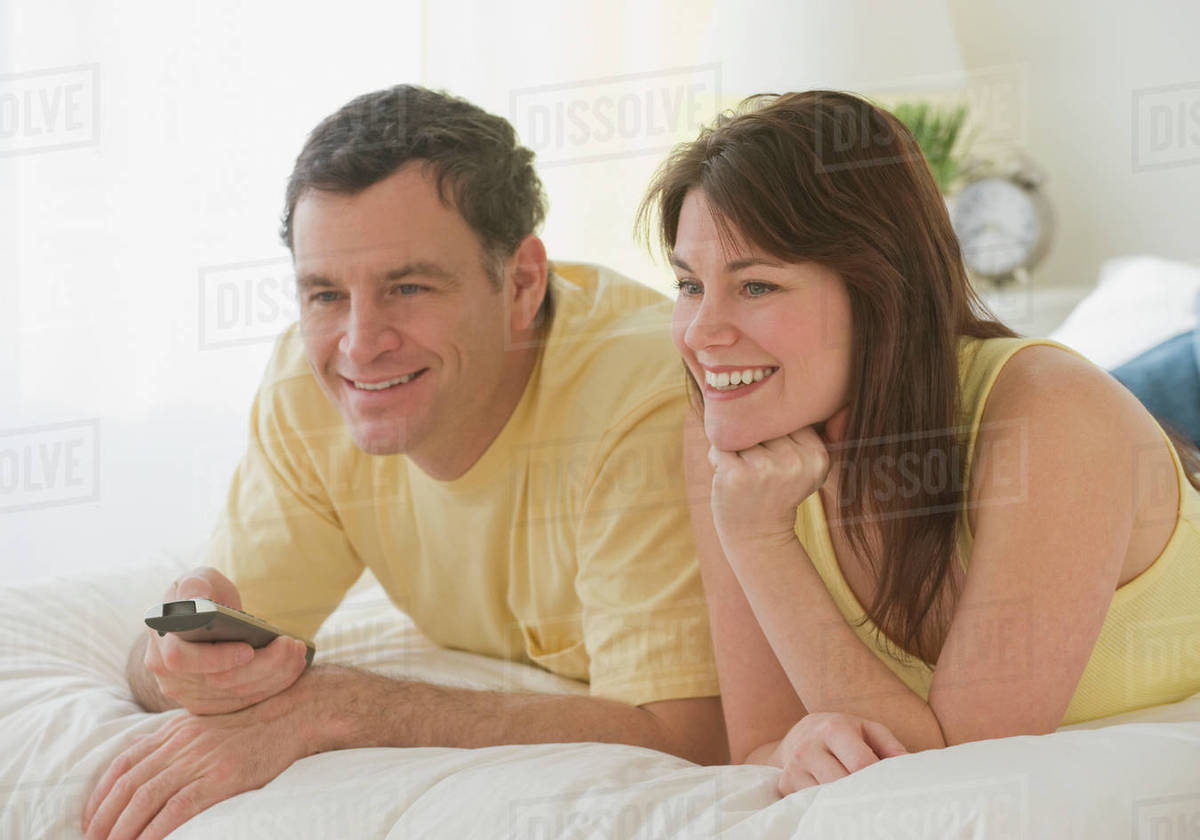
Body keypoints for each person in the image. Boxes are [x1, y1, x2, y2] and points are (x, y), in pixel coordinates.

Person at [82, 85, 724, 840]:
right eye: (324, 294)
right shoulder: (307, 385)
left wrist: (338, 706)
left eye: (407, 287)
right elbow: (225, 648)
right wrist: (175, 659)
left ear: (521, 284)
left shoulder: (643, 398)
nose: (358, 343)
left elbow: (692, 738)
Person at [639, 90, 1200, 797]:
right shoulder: (729, 431)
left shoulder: (1054, 416)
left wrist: (761, 543)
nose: (701, 333)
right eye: (689, 285)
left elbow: (955, 772)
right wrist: (803, 743)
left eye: (755, 286)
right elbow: (756, 738)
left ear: (881, 293)